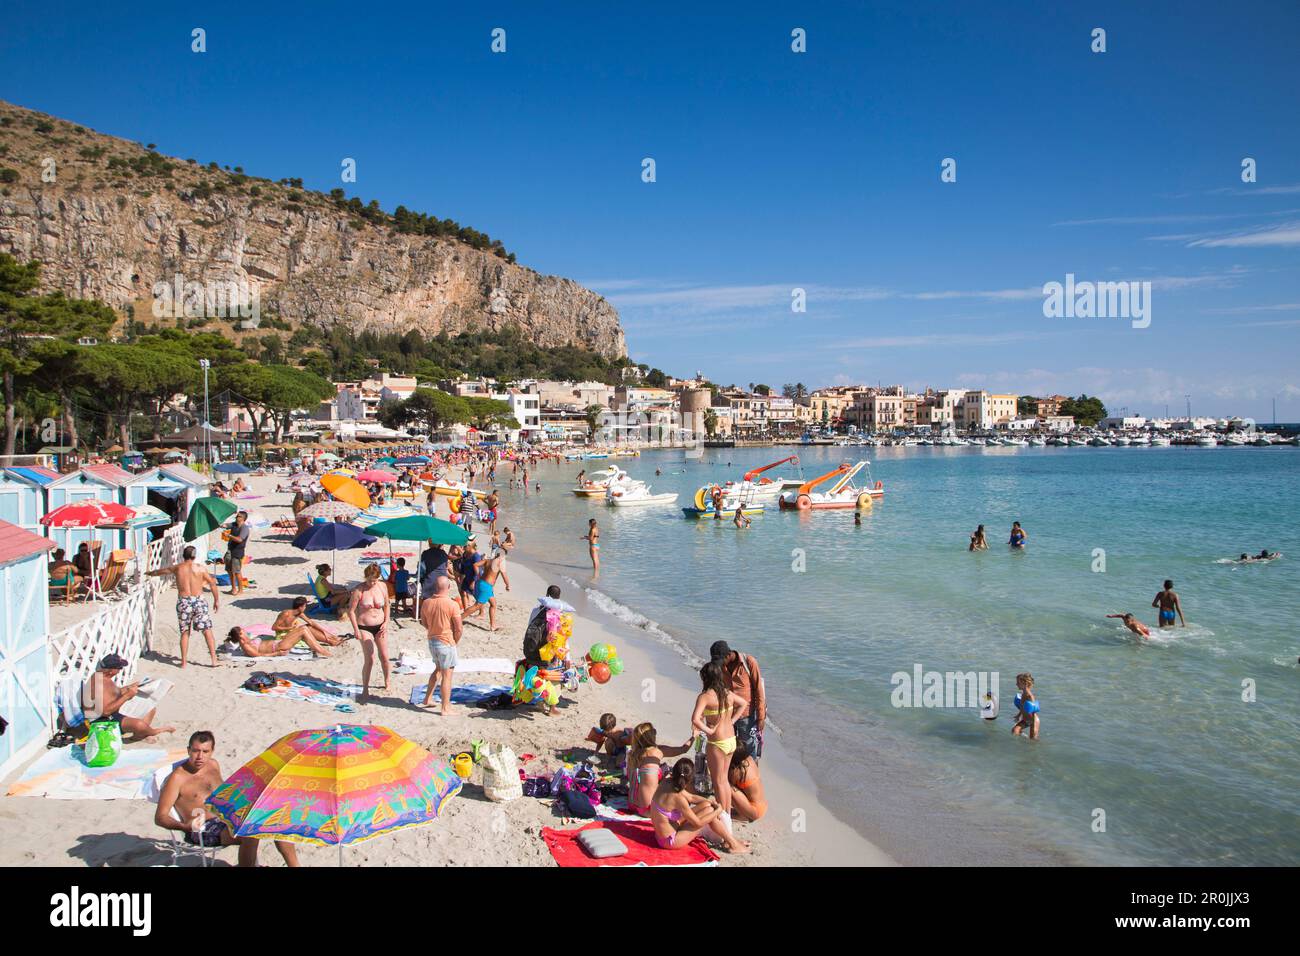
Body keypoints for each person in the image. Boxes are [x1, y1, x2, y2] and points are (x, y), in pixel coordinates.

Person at [155, 731, 299, 867]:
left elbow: (225, 793)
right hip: (203, 827)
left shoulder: (213, 765)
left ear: (212, 751)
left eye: (205, 752)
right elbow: (160, 817)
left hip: (226, 815)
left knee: (277, 822)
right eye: (195, 751)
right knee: (249, 834)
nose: (200, 756)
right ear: (188, 750)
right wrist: (185, 827)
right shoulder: (177, 778)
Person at [691, 660, 747, 829]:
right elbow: (743, 704)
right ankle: (727, 816)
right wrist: (731, 720)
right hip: (731, 740)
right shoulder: (727, 693)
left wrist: (708, 731)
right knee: (724, 782)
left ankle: (725, 822)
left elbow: (695, 719)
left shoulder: (705, 697)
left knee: (718, 782)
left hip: (717, 742)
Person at [649, 759, 749, 854]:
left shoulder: (667, 782)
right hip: (669, 841)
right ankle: (733, 844)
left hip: (664, 833)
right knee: (711, 814)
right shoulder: (678, 799)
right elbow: (698, 823)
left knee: (707, 806)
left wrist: (711, 802)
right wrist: (717, 811)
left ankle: (730, 840)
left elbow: (691, 797)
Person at [148, 545, 221, 668]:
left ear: (183, 555)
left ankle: (183, 662)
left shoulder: (178, 568)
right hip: (198, 600)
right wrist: (216, 600)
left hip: (184, 601)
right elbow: (212, 583)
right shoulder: (200, 569)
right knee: (207, 630)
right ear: (194, 556)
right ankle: (214, 660)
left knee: (185, 632)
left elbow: (162, 572)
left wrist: (150, 573)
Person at [81, 654, 174, 740]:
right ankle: (154, 731)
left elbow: (114, 693)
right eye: (119, 668)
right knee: (139, 725)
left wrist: (134, 686)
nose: (120, 670)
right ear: (111, 671)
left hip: (112, 714)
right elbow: (105, 711)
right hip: (100, 721)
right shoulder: (98, 684)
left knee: (150, 708)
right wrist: (127, 696)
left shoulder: (103, 677)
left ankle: (140, 734)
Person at [709, 640, 766, 759]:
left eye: (720, 661)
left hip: (747, 716)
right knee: (729, 748)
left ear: (728, 655)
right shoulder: (721, 667)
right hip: (727, 715)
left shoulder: (749, 662)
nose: (719, 665)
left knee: (749, 750)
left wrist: (761, 717)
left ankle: (751, 774)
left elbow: (759, 691)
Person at [624, 722, 693, 815]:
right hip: (648, 809)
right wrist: (694, 735)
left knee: (662, 771)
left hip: (631, 804)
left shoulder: (631, 754)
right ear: (651, 736)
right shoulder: (657, 752)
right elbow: (683, 749)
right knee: (681, 777)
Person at [347, 563, 391, 700]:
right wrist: (355, 629)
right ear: (366, 577)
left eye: (375, 580)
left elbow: (387, 605)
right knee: (370, 658)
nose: (373, 583)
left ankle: (387, 682)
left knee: (384, 656)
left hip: (380, 626)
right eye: (370, 580)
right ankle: (365, 689)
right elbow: (351, 611)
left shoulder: (382, 587)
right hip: (364, 627)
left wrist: (386, 622)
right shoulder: (359, 590)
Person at [420, 575, 463, 715]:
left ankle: (427, 698)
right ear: (448, 587)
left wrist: (434, 629)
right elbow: (458, 628)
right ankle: (445, 708)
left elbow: (424, 622)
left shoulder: (426, 602)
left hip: (432, 640)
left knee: (438, 669)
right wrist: (454, 641)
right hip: (445, 641)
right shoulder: (452, 604)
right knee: (447, 675)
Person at [272, 597, 344, 647]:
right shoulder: (286, 614)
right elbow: (274, 627)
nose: (305, 608)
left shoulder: (300, 614)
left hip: (290, 631)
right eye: (304, 606)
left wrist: (325, 632)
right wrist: (289, 627)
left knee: (308, 626)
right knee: (306, 628)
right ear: (300, 607)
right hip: (282, 636)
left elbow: (311, 622)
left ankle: (332, 638)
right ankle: (330, 641)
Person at [465, 552, 510, 631]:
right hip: (486, 586)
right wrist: (507, 585)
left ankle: (493, 626)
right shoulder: (500, 563)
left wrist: (478, 575)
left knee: (493, 604)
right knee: (477, 606)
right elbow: (504, 575)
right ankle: (459, 618)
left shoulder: (488, 560)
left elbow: (475, 565)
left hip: (481, 583)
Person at [225, 624, 331, 657]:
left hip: (279, 642)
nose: (245, 631)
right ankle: (322, 651)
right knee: (303, 630)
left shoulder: (247, 641)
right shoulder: (246, 646)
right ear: (240, 635)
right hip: (278, 647)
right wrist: (278, 653)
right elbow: (259, 655)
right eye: (243, 631)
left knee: (304, 628)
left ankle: (319, 648)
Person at [523, 585, 563, 668]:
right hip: (547, 656)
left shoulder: (536, 610)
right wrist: (567, 658)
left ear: (547, 595)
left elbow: (529, 627)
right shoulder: (559, 614)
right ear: (559, 597)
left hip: (531, 651)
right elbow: (562, 637)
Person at [728, 741, 767, 822]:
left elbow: (724, 780)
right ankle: (743, 813)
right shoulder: (749, 759)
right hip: (762, 806)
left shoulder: (737, 772)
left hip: (755, 810)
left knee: (727, 786)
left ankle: (742, 815)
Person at [223, 511, 251, 595]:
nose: (236, 517)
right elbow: (224, 525)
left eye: (239, 516)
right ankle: (233, 589)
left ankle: (241, 590)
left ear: (243, 519)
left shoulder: (244, 528)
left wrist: (229, 536)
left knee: (237, 571)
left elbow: (239, 539)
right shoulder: (234, 524)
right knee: (229, 571)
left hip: (238, 551)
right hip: (230, 550)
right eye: (237, 516)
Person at [1011, 672, 1041, 739]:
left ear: (1024, 683)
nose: (1016, 684)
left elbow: (1033, 711)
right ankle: (1023, 741)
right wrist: (1018, 715)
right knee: (1014, 731)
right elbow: (1023, 707)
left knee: (1033, 741)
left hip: (1033, 720)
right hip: (1026, 720)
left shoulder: (1029, 696)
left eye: (1018, 683)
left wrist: (1033, 726)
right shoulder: (1023, 693)